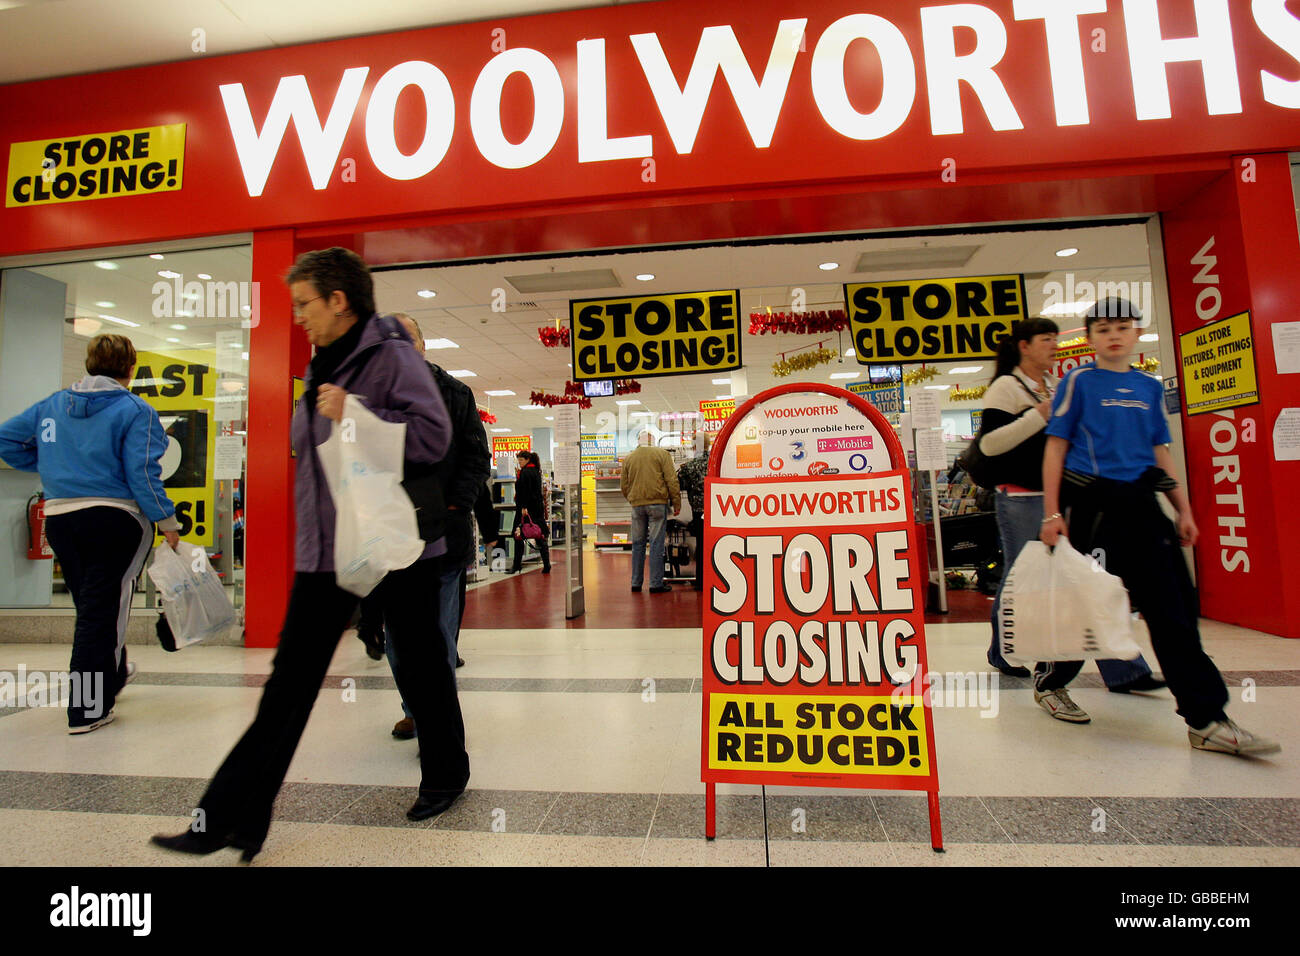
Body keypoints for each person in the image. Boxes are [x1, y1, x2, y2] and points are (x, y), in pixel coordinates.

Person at [151, 247, 470, 863]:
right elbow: (310, 452)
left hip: (393, 543)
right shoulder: (321, 361)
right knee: (288, 684)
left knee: (422, 664)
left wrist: (356, 412)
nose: (298, 315)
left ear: (339, 300)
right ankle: (229, 819)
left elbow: (433, 438)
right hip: (329, 551)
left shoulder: (391, 355)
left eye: (305, 303)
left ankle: (446, 774)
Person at [1039, 297, 1279, 756]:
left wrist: (1182, 510)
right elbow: (1055, 446)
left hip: (1145, 509)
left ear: (1136, 333)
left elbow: (1159, 452)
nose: (1113, 335)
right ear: (1089, 338)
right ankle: (1051, 681)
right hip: (1093, 509)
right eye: (1103, 328)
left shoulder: (1148, 388)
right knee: (1088, 610)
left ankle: (1206, 718)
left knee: (1175, 613)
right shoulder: (1079, 382)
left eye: (1122, 327)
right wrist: (1052, 513)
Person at [979, 317, 1163, 713]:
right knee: (1022, 579)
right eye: (1046, 339)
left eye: (1055, 339)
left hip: (1062, 498)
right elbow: (990, 445)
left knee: (1083, 578)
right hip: (1021, 498)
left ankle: (1123, 668)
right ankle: (1005, 650)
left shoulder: (1056, 384)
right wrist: (1038, 414)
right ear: (1024, 346)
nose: (1054, 346)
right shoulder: (1006, 387)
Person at [0, 334, 181, 733]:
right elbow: (142, 473)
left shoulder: (53, 405)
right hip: (115, 520)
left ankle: (112, 674)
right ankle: (88, 708)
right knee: (103, 611)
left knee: (92, 607)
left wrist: (52, 464)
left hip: (61, 518)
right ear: (130, 369)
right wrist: (167, 521)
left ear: (89, 364)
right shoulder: (136, 410)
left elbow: (6, 439)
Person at [379, 312, 491, 740]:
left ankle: (435, 719)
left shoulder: (455, 394)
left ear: (422, 346)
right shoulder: (372, 396)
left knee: (439, 634)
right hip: (390, 536)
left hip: (441, 535)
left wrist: (455, 505)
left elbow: (476, 459)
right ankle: (414, 707)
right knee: (396, 638)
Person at [620, 432, 680, 593]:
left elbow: (624, 485)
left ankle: (636, 583)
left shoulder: (629, 458)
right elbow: (672, 480)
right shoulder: (662, 454)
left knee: (637, 544)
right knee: (656, 543)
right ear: (652, 441)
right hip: (657, 504)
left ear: (638, 441)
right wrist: (676, 502)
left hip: (637, 506)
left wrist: (632, 499)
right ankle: (655, 584)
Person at [676, 435, 710, 591]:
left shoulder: (689, 467)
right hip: (718, 508)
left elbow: (680, 485)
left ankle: (701, 580)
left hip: (698, 511)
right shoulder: (717, 460)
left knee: (701, 544)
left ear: (694, 446)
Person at [508, 450, 550, 574]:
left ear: (527, 460)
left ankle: (516, 565)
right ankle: (546, 564)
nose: (520, 462)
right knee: (539, 536)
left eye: (521, 460)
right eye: (518, 460)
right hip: (537, 509)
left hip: (525, 510)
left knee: (518, 535)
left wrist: (524, 507)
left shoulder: (525, 472)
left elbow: (524, 491)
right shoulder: (536, 471)